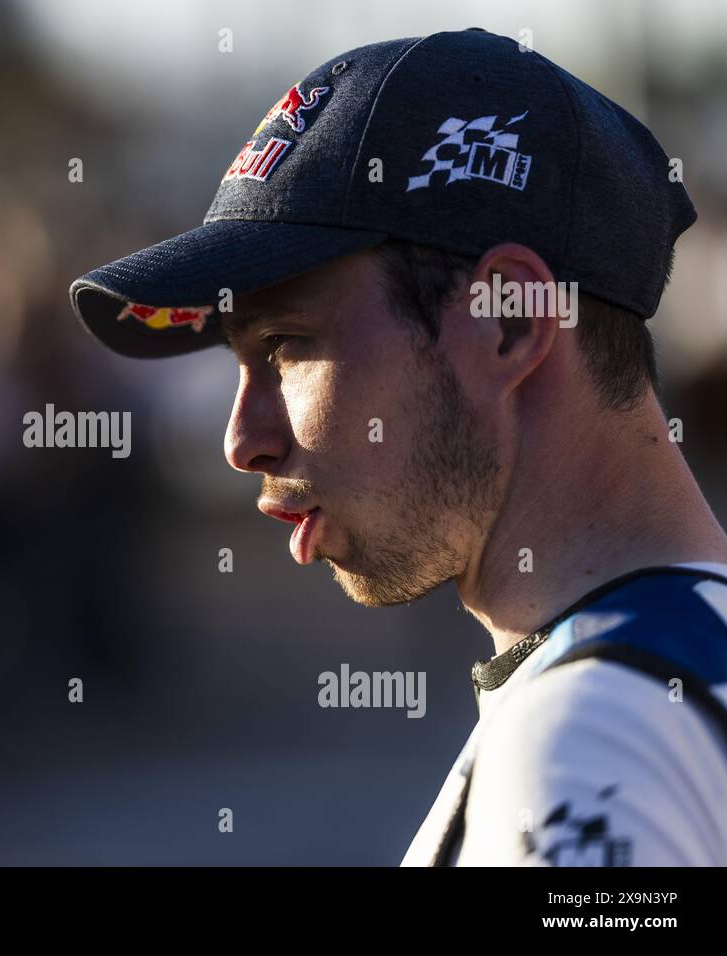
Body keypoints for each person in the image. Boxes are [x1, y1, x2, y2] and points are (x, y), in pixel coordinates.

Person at [68, 29, 727, 865]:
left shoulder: (590, 738)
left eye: (285, 348)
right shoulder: (655, 683)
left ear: (509, 322)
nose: (243, 440)